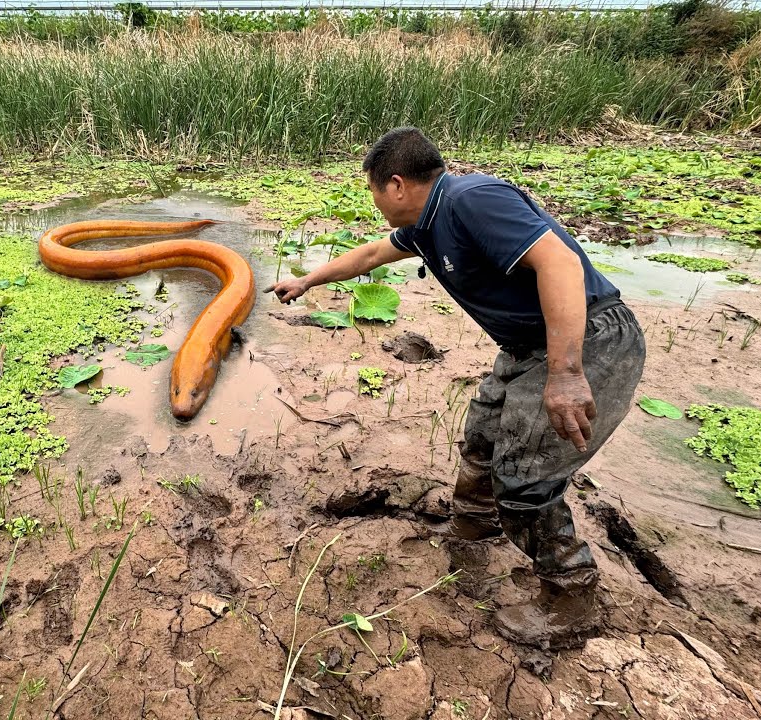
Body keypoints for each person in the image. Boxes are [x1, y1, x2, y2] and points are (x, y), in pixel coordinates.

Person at [267, 127, 646, 649]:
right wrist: (308, 280)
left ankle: (569, 601)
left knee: (525, 479)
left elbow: (557, 262)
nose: (376, 205)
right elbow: (372, 254)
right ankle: (474, 527)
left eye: (374, 193)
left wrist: (565, 372)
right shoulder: (426, 223)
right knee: (484, 436)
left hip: (585, 342)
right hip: (525, 348)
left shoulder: (471, 199)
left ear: (395, 184)